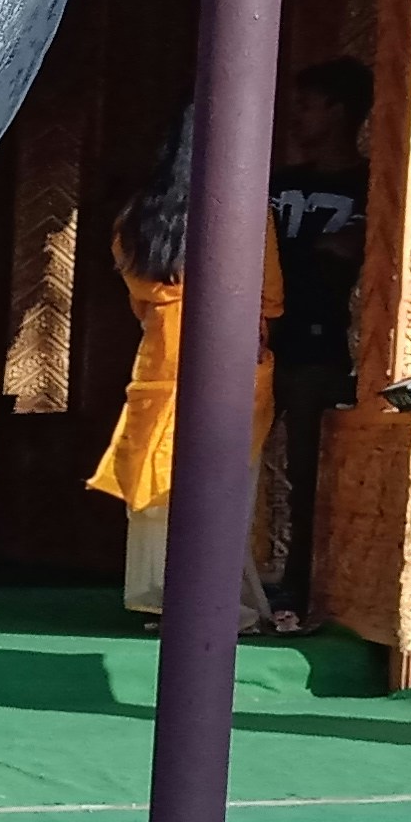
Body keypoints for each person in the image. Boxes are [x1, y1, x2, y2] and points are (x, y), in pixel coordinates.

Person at [87, 107, 277, 633]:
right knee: (224, 483)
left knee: (159, 475)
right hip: (233, 356)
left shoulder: (137, 217)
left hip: (162, 356)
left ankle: (166, 599)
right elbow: (270, 299)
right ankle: (222, 606)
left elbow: (140, 297)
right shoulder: (245, 212)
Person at [264, 56, 372, 630]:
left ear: (339, 111)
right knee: (229, 463)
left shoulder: (369, 186)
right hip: (257, 341)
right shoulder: (278, 182)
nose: (298, 116)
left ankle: (302, 587)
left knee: (310, 472)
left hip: (322, 343)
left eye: (308, 104)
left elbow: (357, 253)